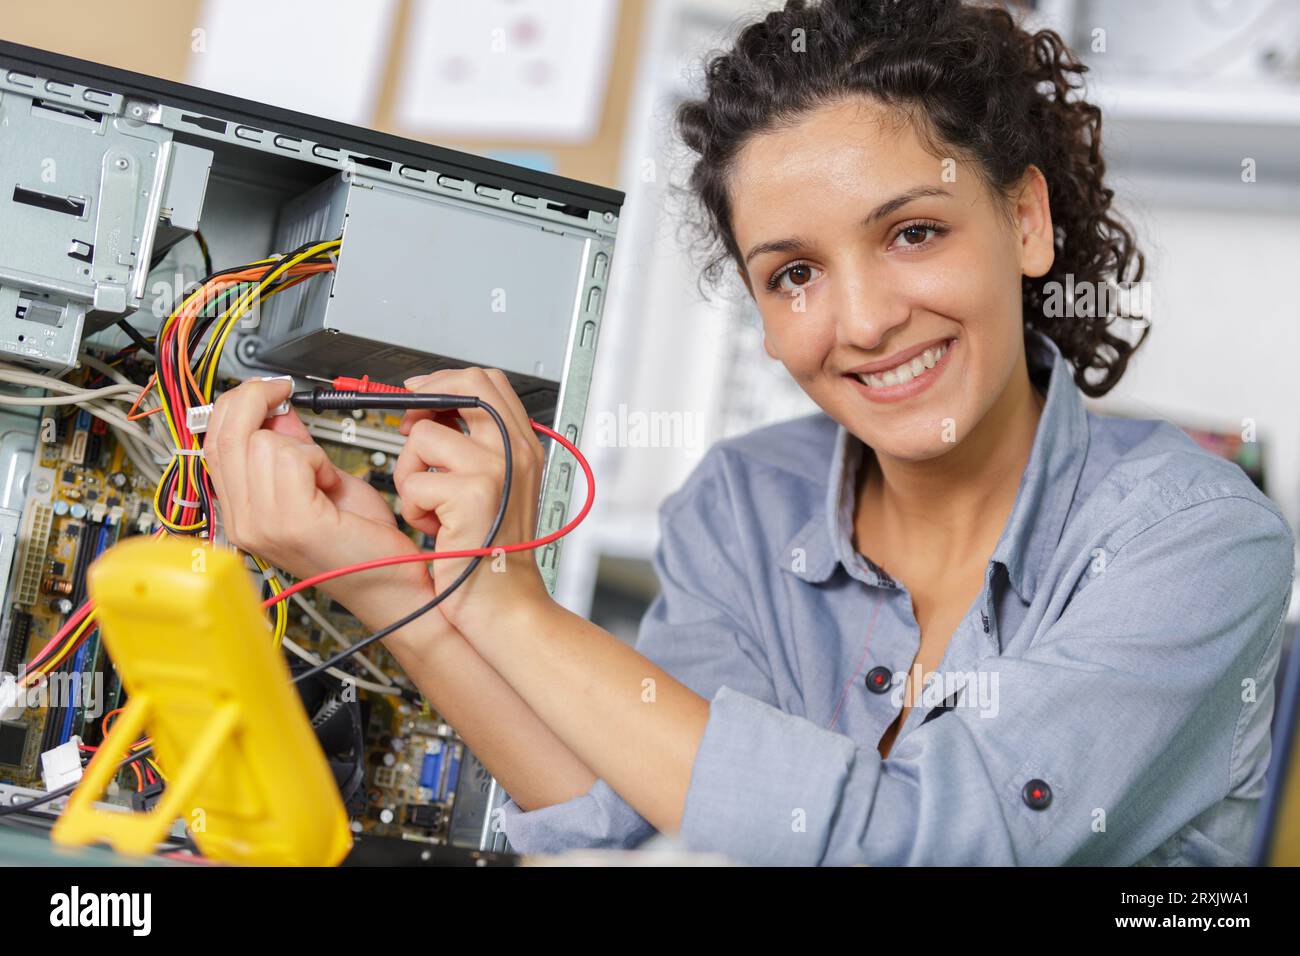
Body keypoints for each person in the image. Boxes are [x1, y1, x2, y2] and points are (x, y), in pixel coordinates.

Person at [203, 0, 1295, 865]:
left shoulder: (1196, 538)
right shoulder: (742, 502)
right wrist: (396, 578)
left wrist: (505, 595)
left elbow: (932, 842)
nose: (862, 321)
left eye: (912, 231)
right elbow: (623, 813)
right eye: (795, 273)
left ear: (1024, 221)